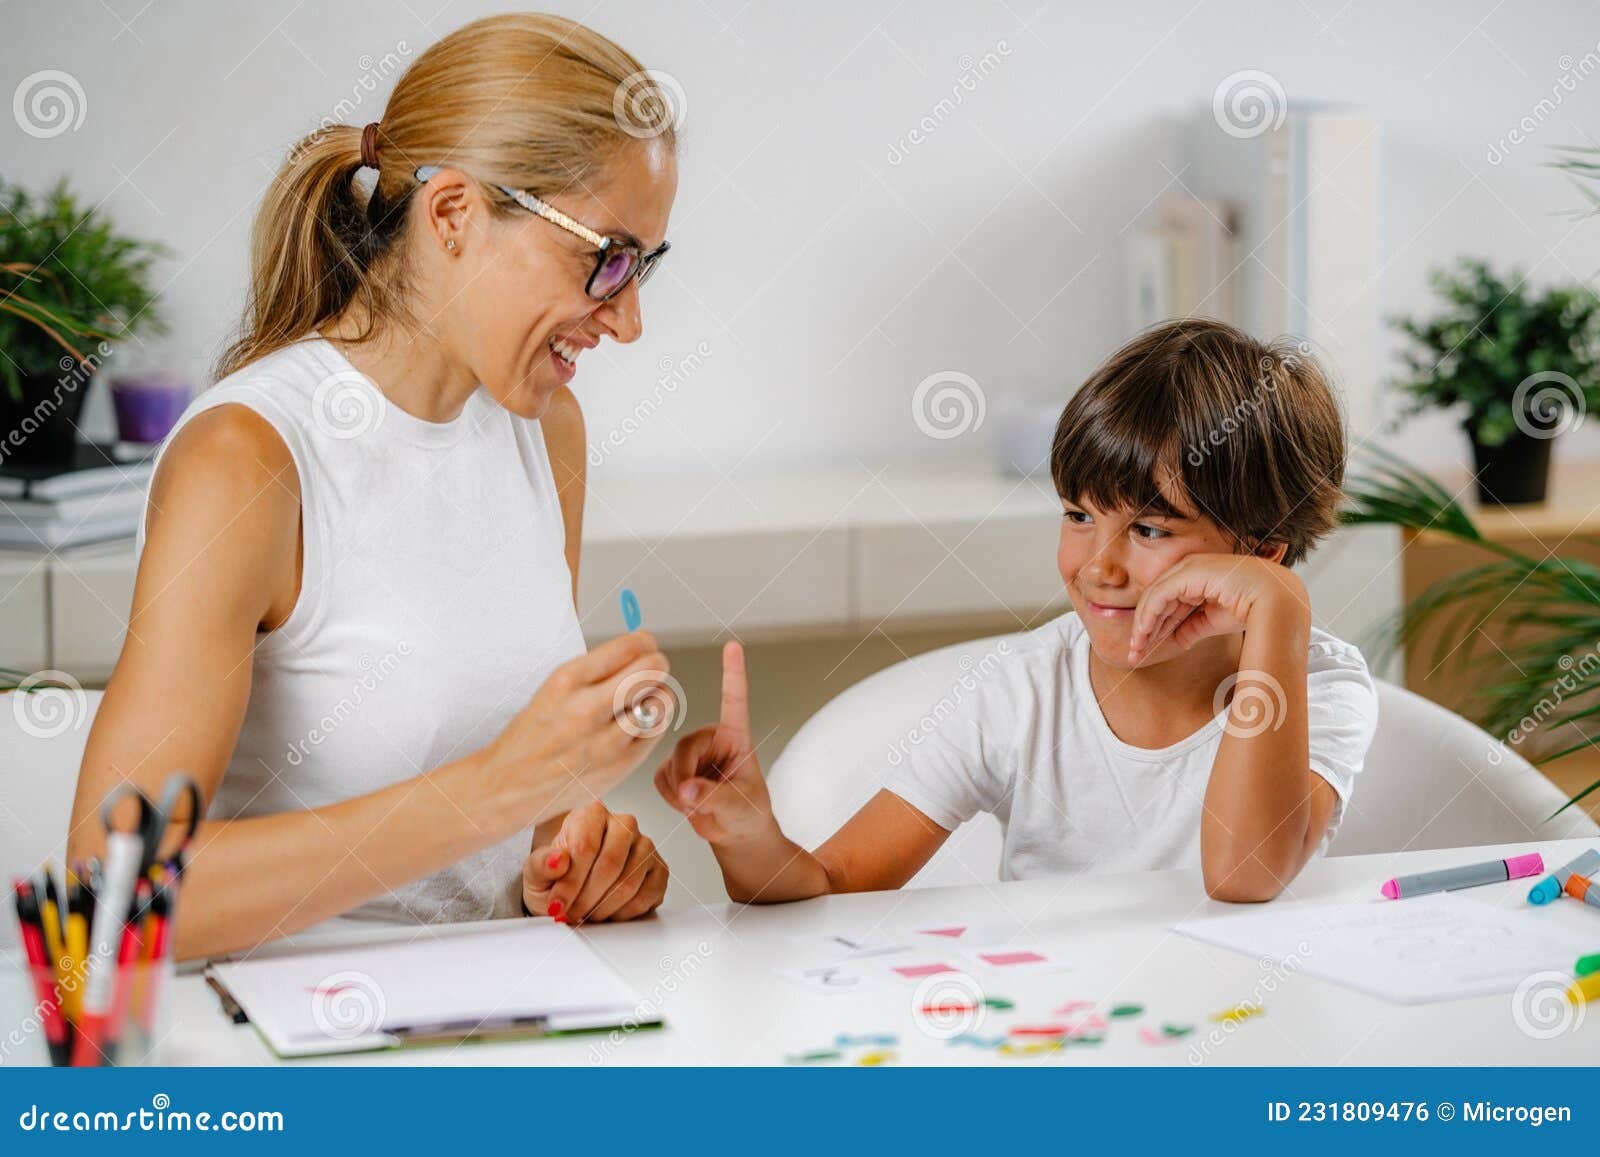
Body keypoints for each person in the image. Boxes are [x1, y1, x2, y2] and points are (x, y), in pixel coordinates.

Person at [68, 13, 682, 959]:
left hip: (490, 1014)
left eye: (645, 266)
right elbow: (112, 899)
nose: (629, 319)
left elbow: (503, 824)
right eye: (606, 258)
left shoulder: (543, 429)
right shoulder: (249, 456)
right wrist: (497, 791)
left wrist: (564, 854)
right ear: (451, 216)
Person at [657, 318, 1379, 903]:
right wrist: (747, 837)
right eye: (1077, 514)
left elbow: (1244, 875)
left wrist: (1281, 615)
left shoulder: (1322, 688)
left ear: (1260, 551)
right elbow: (833, 880)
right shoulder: (1021, 690)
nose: (1100, 564)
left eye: (1151, 529)